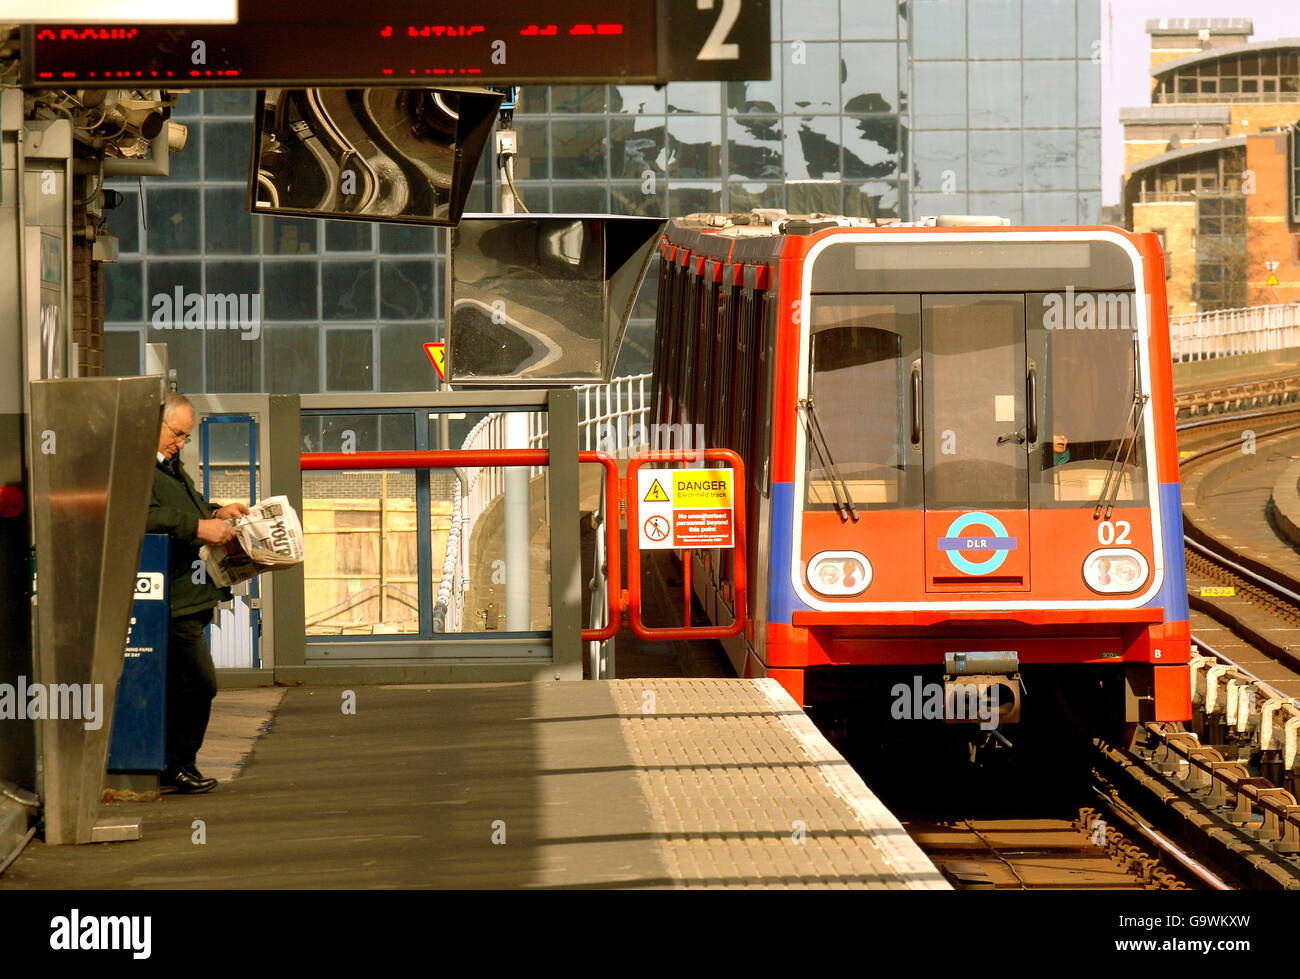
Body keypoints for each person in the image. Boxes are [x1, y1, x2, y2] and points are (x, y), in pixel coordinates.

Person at [145, 392, 250, 794]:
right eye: (177, 434)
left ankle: (170, 763)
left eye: (186, 437)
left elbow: (184, 509)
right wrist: (199, 527)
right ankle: (178, 763)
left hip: (187, 595)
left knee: (180, 683)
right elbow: (145, 515)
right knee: (200, 682)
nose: (180, 443)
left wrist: (215, 512)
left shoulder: (169, 467)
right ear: (156, 423)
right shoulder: (139, 469)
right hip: (168, 600)